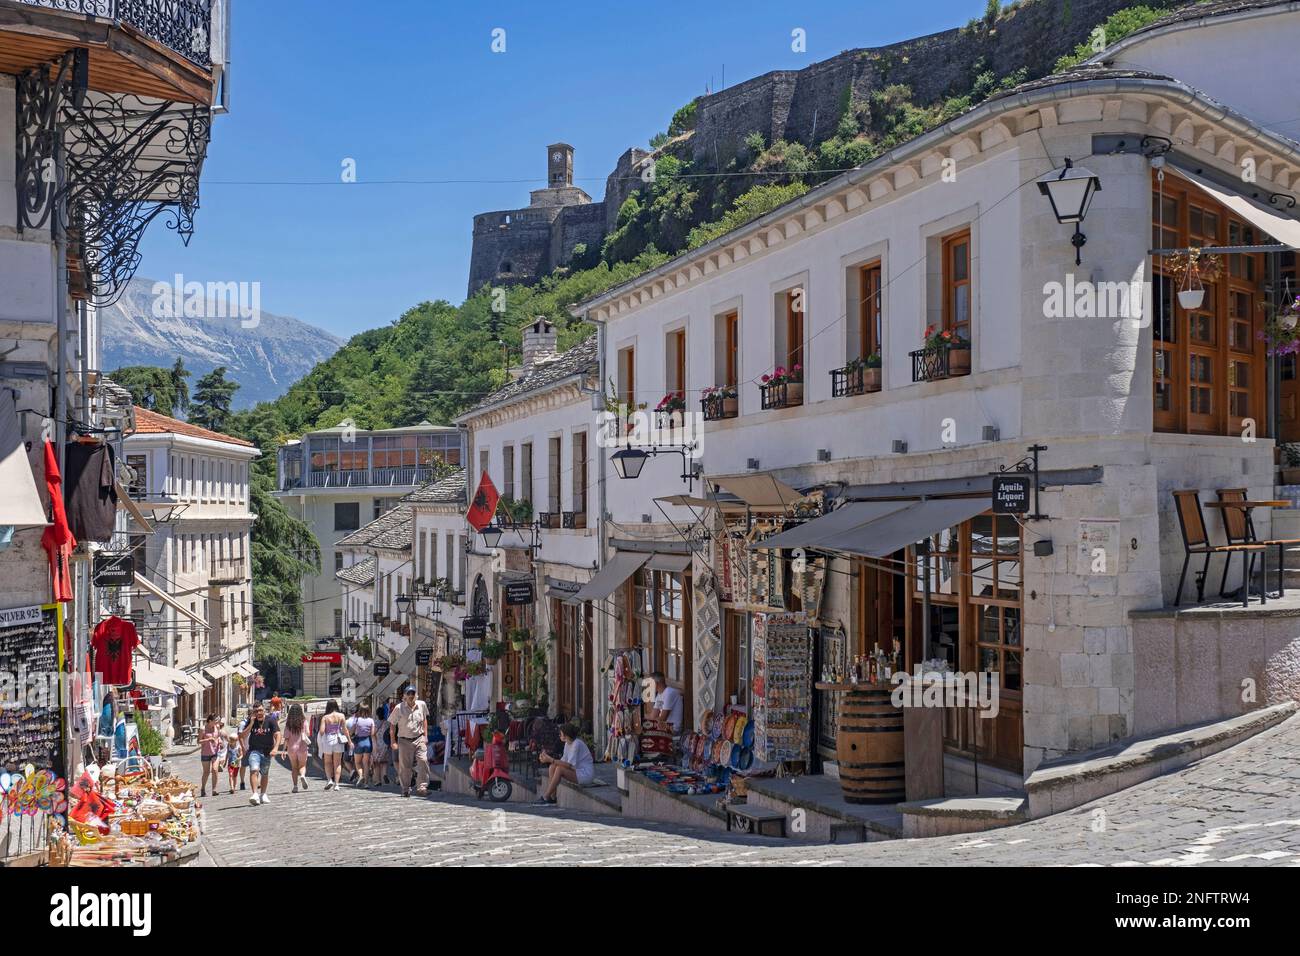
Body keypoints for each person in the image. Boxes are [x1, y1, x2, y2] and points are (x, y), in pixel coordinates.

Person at [535, 723, 594, 806]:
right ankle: (552, 798)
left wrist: (550, 759)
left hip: (585, 774)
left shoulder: (577, 744)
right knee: (553, 767)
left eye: (560, 734)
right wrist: (546, 759)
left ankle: (546, 796)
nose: (559, 735)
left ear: (566, 735)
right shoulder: (567, 743)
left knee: (559, 769)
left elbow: (569, 765)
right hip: (576, 771)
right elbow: (563, 761)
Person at [238, 702, 282, 805]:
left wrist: (275, 748)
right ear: (253, 712)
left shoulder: (271, 720)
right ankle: (255, 794)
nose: (259, 713)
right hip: (254, 750)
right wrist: (251, 723)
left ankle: (263, 794)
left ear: (264, 710)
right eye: (256, 711)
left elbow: (278, 734)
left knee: (265, 773)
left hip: (267, 751)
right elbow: (242, 736)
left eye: (260, 710)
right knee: (254, 770)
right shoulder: (250, 721)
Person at [391, 686, 430, 797]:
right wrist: (393, 741)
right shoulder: (399, 708)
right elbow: (392, 725)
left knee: (423, 760)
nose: (411, 696)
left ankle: (422, 787)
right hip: (404, 740)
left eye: (413, 694)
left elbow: (424, 720)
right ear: (404, 696)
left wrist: (425, 736)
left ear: (416, 695)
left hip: (419, 738)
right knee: (405, 766)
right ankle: (405, 788)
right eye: (409, 694)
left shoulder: (422, 705)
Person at [316, 699, 352, 791]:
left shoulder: (325, 717)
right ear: (336, 706)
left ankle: (329, 780)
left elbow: (321, 731)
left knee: (327, 762)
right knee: (337, 763)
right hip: (338, 740)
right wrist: (349, 741)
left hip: (328, 740)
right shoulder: (341, 716)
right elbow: (345, 730)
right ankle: (336, 784)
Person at [283, 703, 312, 792]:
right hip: (302, 747)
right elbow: (308, 733)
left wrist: (284, 750)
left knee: (294, 767)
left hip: (292, 748)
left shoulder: (288, 723)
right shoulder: (304, 721)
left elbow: (286, 738)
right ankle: (302, 775)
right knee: (302, 765)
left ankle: (295, 786)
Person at [347, 704, 375, 788]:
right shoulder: (371, 720)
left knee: (358, 762)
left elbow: (351, 731)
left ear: (360, 711)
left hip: (359, 741)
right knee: (366, 764)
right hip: (368, 742)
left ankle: (361, 775)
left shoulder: (357, 720)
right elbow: (373, 733)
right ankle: (366, 783)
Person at [198, 712, 222, 797]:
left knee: (215, 770)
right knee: (206, 772)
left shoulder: (217, 727)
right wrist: (208, 740)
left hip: (215, 751)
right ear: (210, 721)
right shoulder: (202, 729)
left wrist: (220, 741)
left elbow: (218, 736)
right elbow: (199, 741)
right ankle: (203, 788)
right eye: (215, 721)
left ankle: (214, 789)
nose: (216, 723)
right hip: (205, 752)